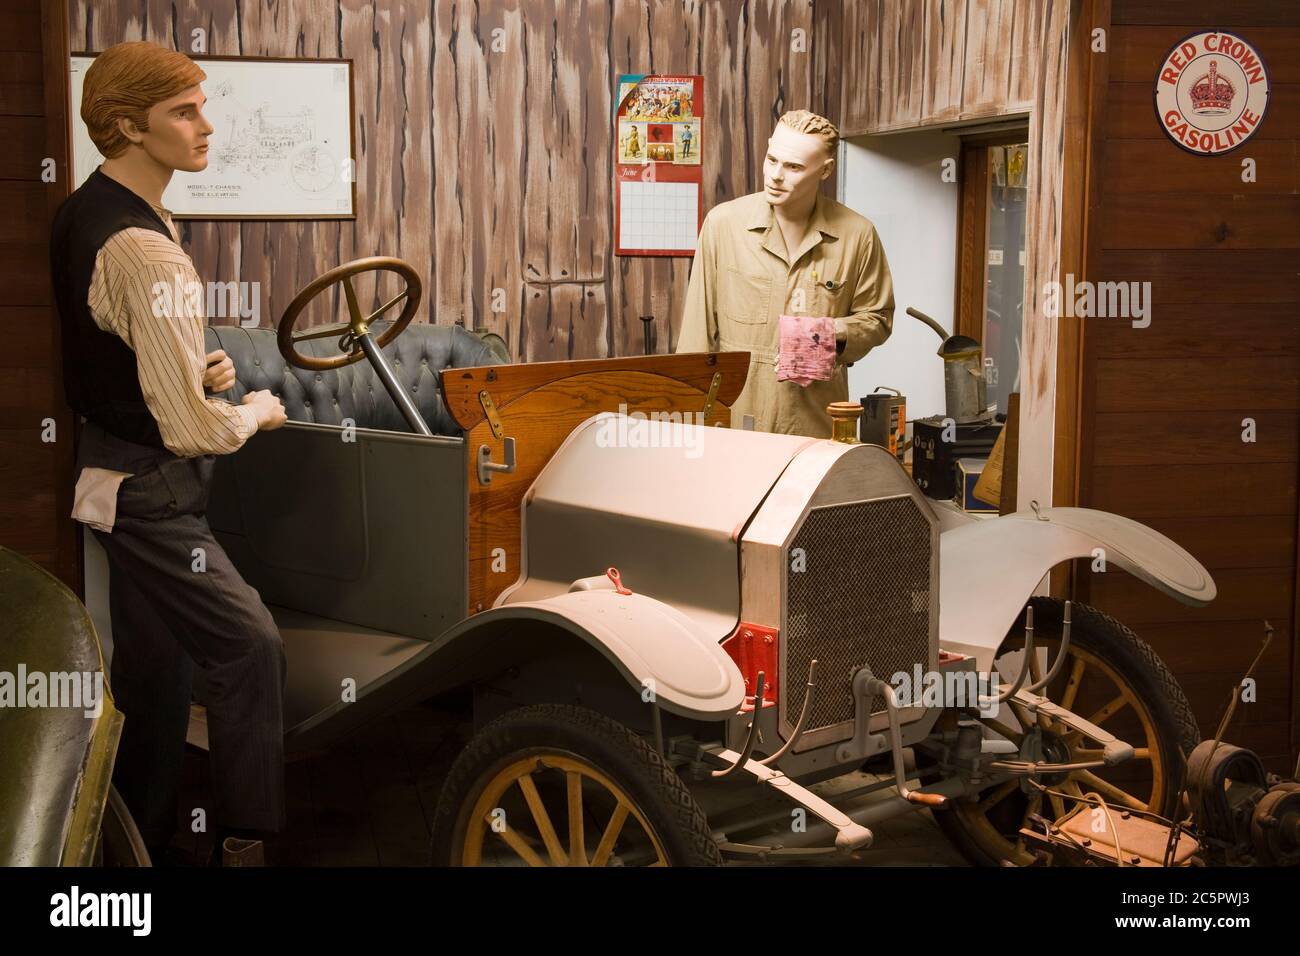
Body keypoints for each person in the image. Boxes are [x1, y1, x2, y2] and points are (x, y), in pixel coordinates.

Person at [48, 41, 289, 866]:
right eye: (183, 111)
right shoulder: (142, 245)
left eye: (201, 105)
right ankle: (245, 843)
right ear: (127, 126)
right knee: (249, 644)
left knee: (156, 680)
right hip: (150, 489)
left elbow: (119, 350)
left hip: (121, 476)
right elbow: (191, 429)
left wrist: (198, 368)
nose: (206, 125)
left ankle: (134, 850)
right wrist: (252, 410)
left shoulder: (94, 211)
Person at [676, 110, 895, 437]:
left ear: (826, 170)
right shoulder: (724, 226)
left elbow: (878, 318)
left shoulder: (857, 234)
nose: (776, 175)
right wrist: (690, 426)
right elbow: (696, 335)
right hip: (736, 423)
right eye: (772, 159)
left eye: (793, 166)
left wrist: (831, 332)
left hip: (815, 425)